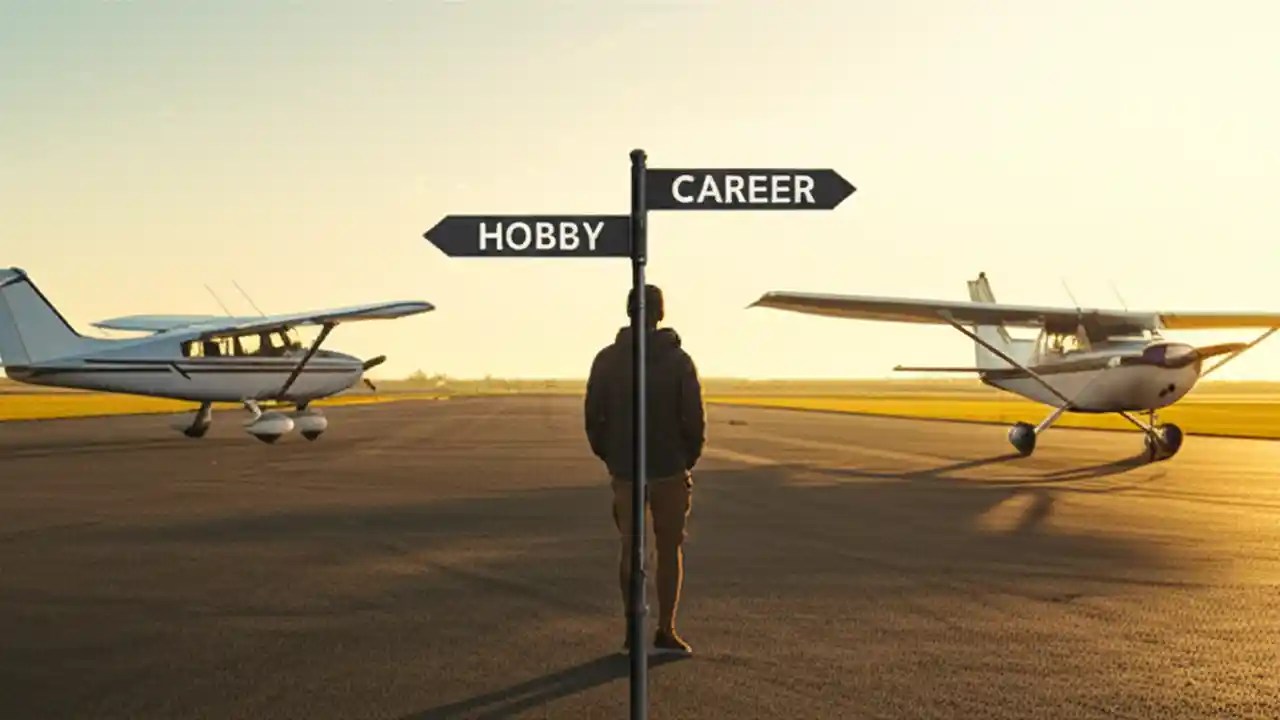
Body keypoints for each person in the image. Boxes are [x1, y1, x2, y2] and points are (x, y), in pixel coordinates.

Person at [584, 284, 706, 657]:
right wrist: (686, 459)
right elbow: (694, 420)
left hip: (626, 470)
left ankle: (631, 631)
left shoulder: (606, 360)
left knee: (631, 550)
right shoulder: (679, 361)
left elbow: (593, 418)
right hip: (669, 468)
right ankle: (666, 629)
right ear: (660, 313)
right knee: (670, 550)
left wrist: (612, 457)